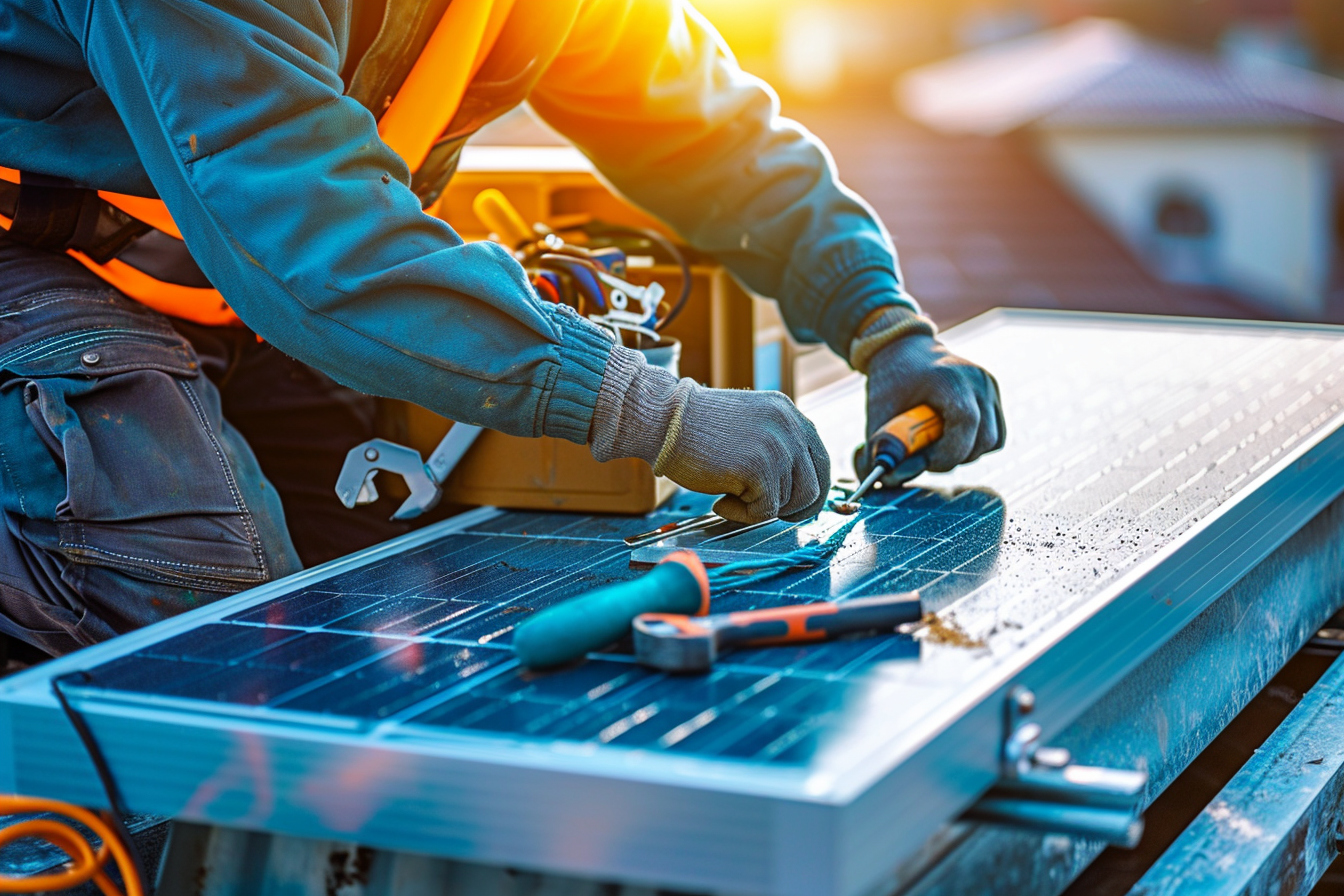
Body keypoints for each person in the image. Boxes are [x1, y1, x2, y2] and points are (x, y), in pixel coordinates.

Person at [0, 0, 1004, 656]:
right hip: (33, 266)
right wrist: (648, 409)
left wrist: (881, 320)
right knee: (212, 619)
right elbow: (314, 241)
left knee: (412, 590)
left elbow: (707, 131)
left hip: (236, 298)